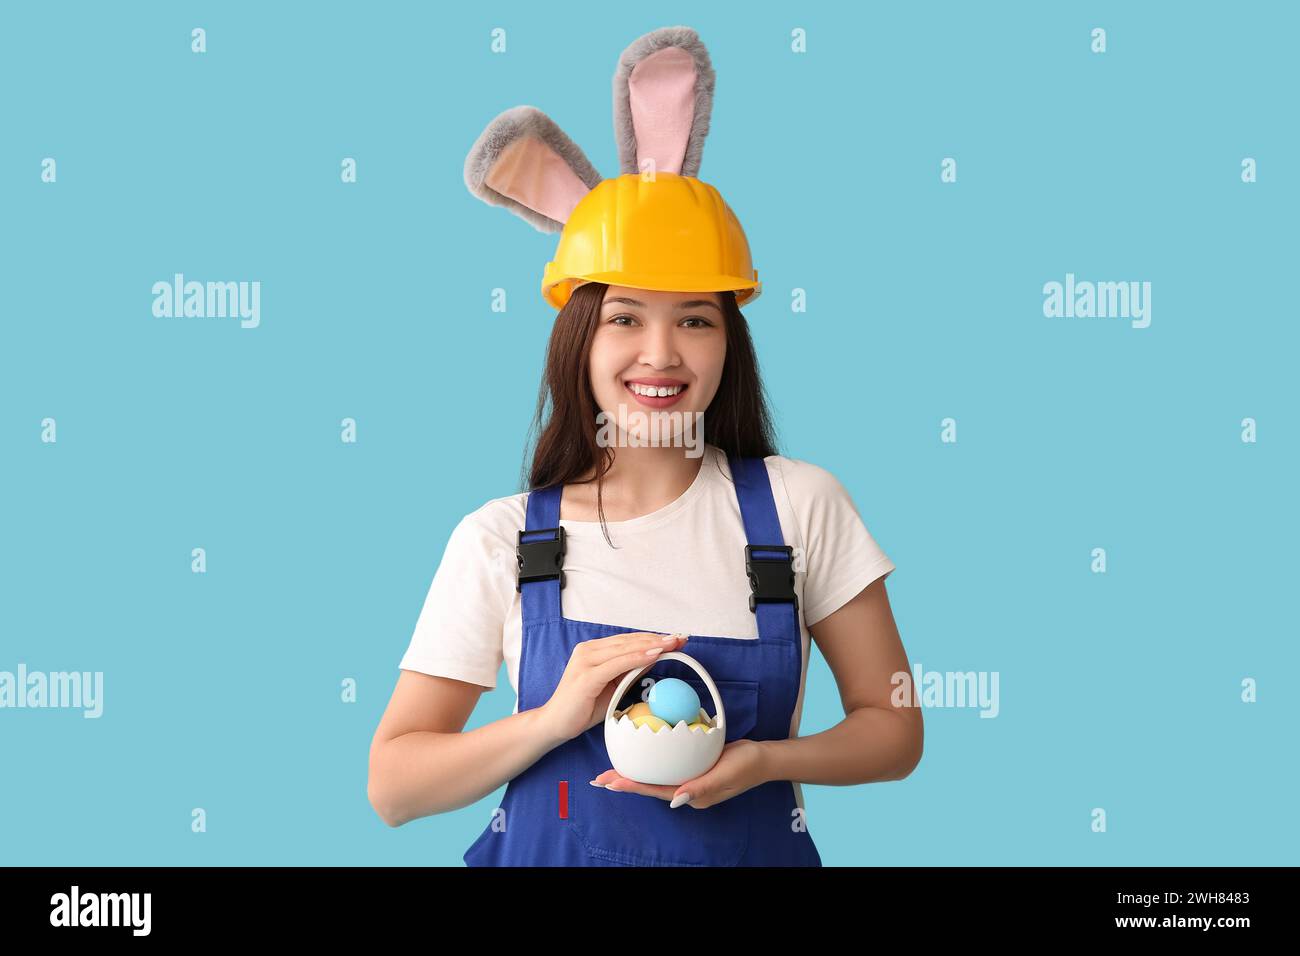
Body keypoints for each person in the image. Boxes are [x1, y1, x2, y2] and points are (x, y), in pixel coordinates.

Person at [367, 26, 923, 866]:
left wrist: (766, 762)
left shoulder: (801, 507)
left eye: (695, 320)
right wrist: (554, 720)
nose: (661, 354)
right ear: (580, 341)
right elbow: (394, 787)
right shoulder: (503, 540)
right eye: (625, 317)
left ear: (728, 342)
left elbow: (894, 731)